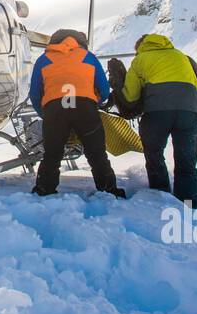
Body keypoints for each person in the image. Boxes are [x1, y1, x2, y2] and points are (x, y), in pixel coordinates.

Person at [28, 29, 126, 198]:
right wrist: (95, 102)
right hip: (84, 107)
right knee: (96, 152)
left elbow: (35, 93)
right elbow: (103, 88)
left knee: (52, 154)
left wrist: (45, 113)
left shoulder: (44, 59)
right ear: (80, 42)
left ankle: (45, 189)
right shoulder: (88, 57)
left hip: (55, 108)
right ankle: (109, 190)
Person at [120, 33, 197, 207]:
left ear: (140, 47)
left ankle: (160, 195)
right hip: (190, 111)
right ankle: (189, 202)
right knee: (186, 158)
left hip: (157, 113)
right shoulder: (182, 56)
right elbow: (196, 82)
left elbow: (130, 96)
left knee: (154, 154)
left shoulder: (141, 59)